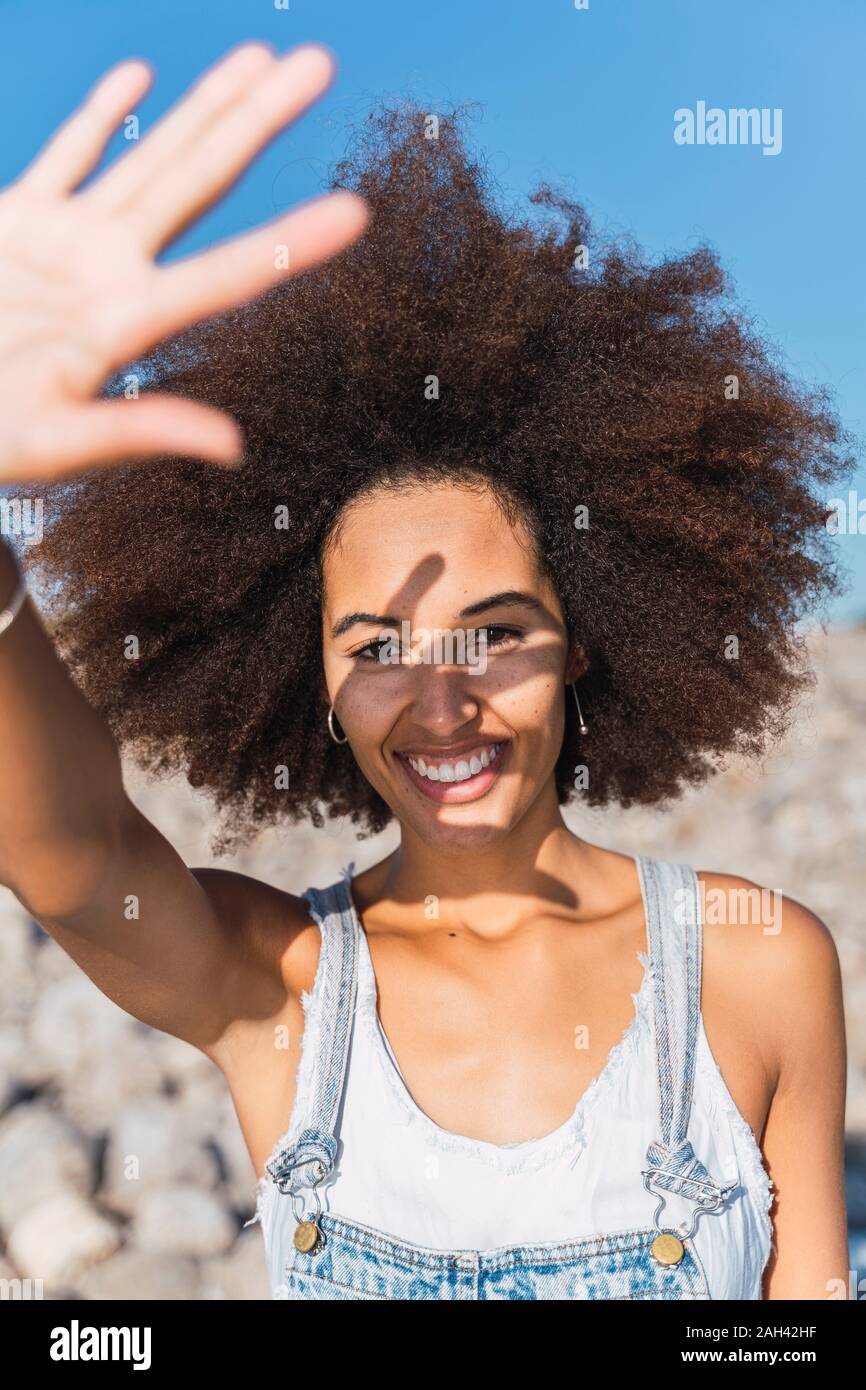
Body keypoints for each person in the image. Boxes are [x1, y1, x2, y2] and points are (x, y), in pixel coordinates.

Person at [0, 39, 850, 1301]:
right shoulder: (275, 984)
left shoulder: (758, 962)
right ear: (313, 689)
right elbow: (69, 860)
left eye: (497, 631)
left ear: (587, 640)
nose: (442, 697)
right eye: (376, 648)